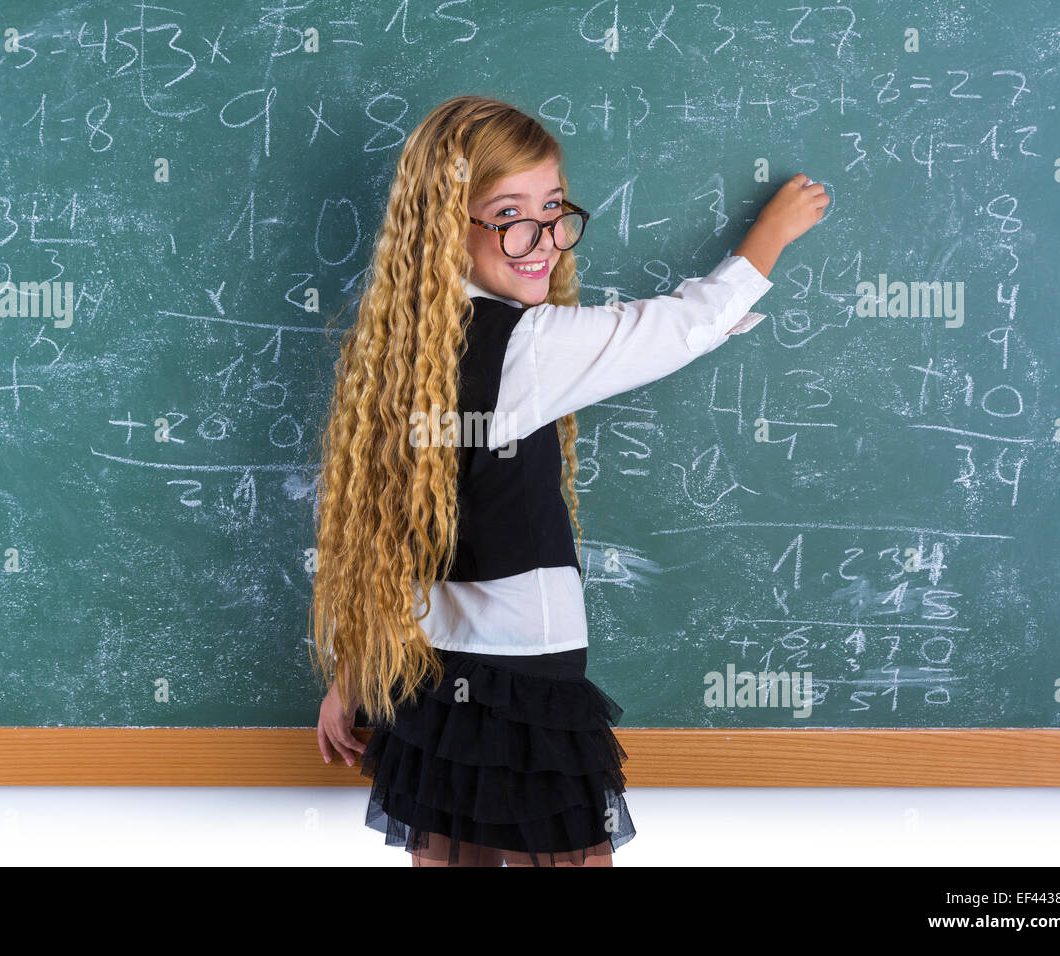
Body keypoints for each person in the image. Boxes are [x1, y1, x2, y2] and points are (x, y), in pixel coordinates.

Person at [310, 95, 828, 866]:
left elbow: (393, 533)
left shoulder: (399, 349)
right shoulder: (523, 347)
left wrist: (355, 669)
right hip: (524, 678)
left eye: (553, 208)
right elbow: (676, 327)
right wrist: (770, 238)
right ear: (445, 224)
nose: (543, 239)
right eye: (510, 214)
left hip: (430, 684)